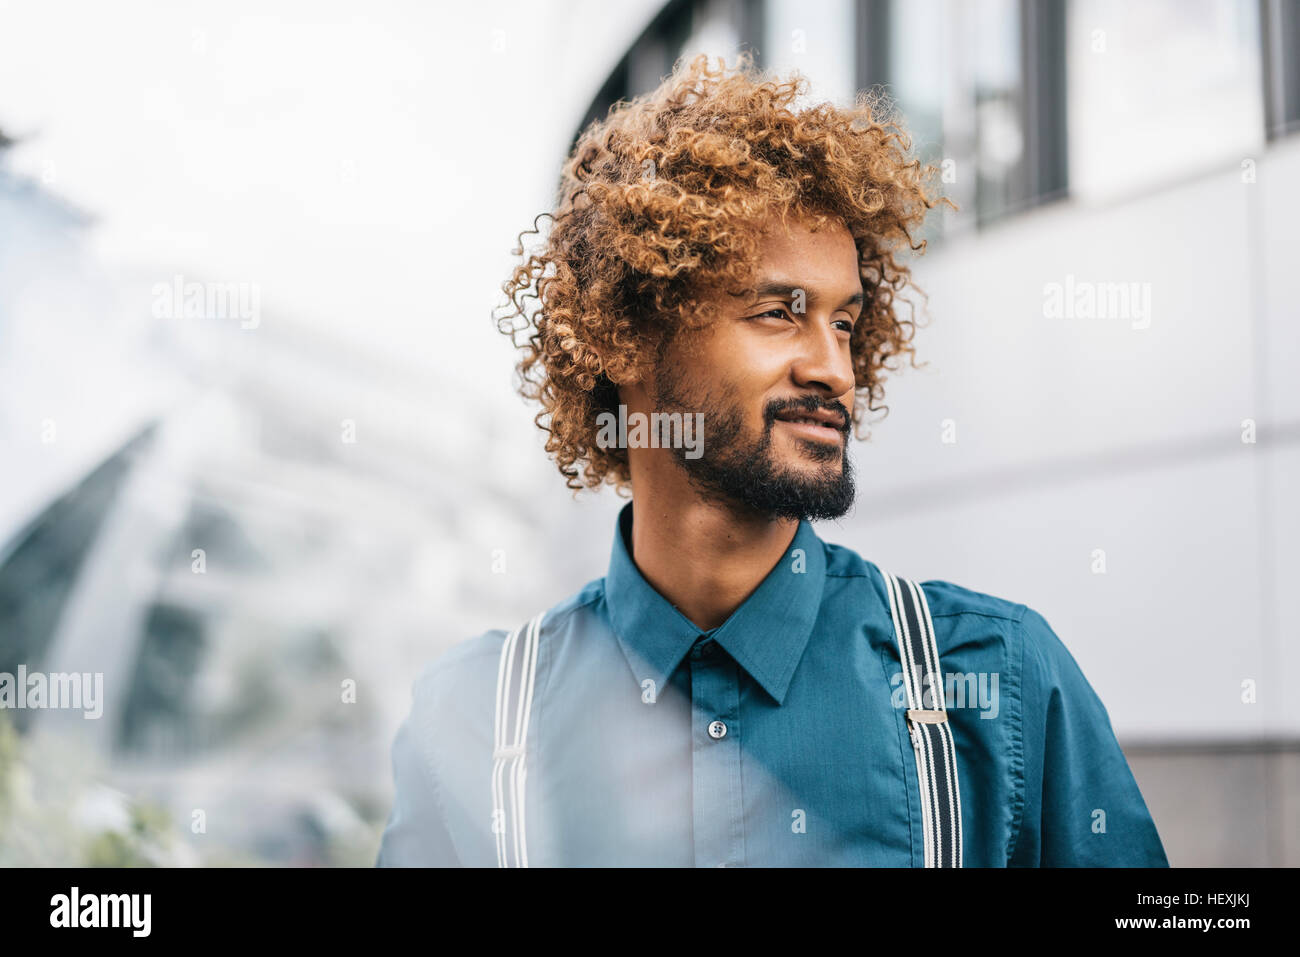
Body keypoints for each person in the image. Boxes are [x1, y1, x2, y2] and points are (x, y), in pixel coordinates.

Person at [375, 54, 1169, 867]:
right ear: (629, 338)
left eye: (846, 325)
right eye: (778, 314)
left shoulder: (998, 680)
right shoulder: (472, 725)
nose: (835, 368)